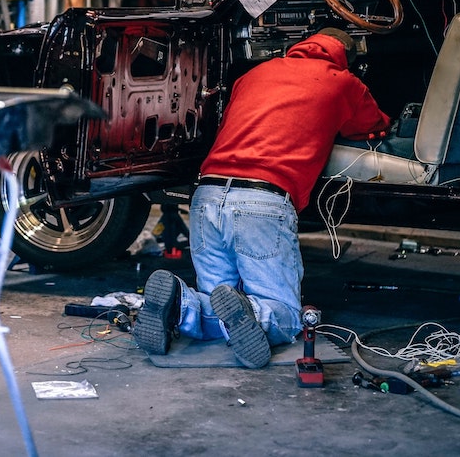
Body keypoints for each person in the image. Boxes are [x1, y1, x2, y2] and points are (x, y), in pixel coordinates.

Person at [133, 28, 391, 367]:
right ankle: (252, 309)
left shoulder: (254, 73)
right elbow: (375, 127)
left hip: (206, 195)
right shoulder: (344, 82)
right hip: (262, 201)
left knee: (216, 305)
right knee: (285, 315)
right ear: (346, 55)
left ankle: (179, 305)